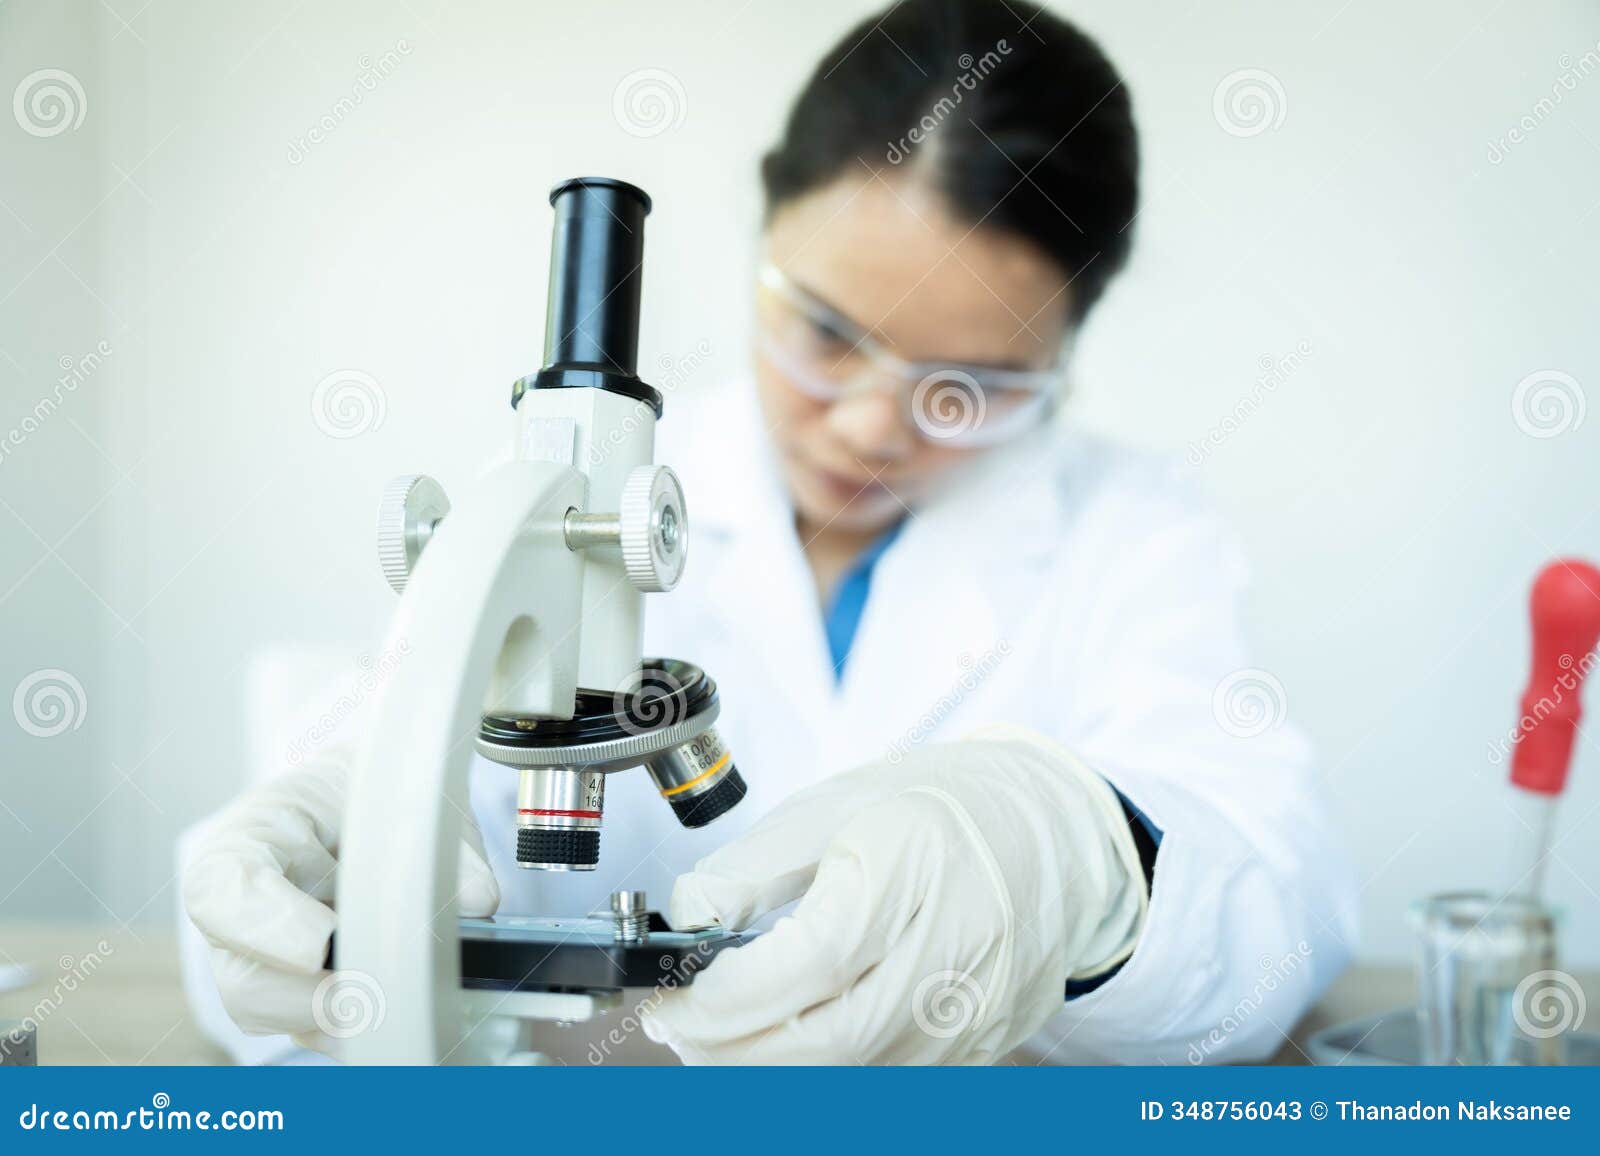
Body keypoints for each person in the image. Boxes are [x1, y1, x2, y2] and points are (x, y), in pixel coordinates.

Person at [182, 0, 1357, 1065]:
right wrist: (324, 856)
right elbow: (259, 954)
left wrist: (1092, 865)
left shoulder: (1131, 531)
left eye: (971, 386)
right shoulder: (565, 491)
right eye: (830, 334)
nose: (868, 429)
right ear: (766, 229)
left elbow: (1277, 928)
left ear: (1066, 352)